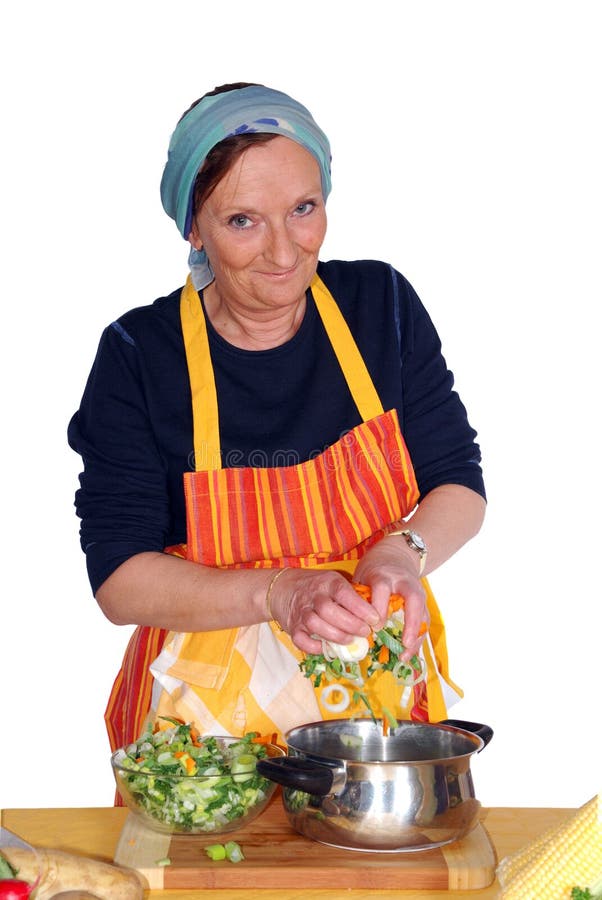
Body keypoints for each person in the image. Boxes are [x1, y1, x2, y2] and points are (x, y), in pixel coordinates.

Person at [68, 82, 486, 755]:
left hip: (371, 705)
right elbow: (120, 581)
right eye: (243, 221)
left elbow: (459, 482)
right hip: (201, 739)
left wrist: (400, 551)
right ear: (193, 228)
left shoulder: (379, 305)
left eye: (303, 209)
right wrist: (280, 593)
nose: (286, 253)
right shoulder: (140, 354)